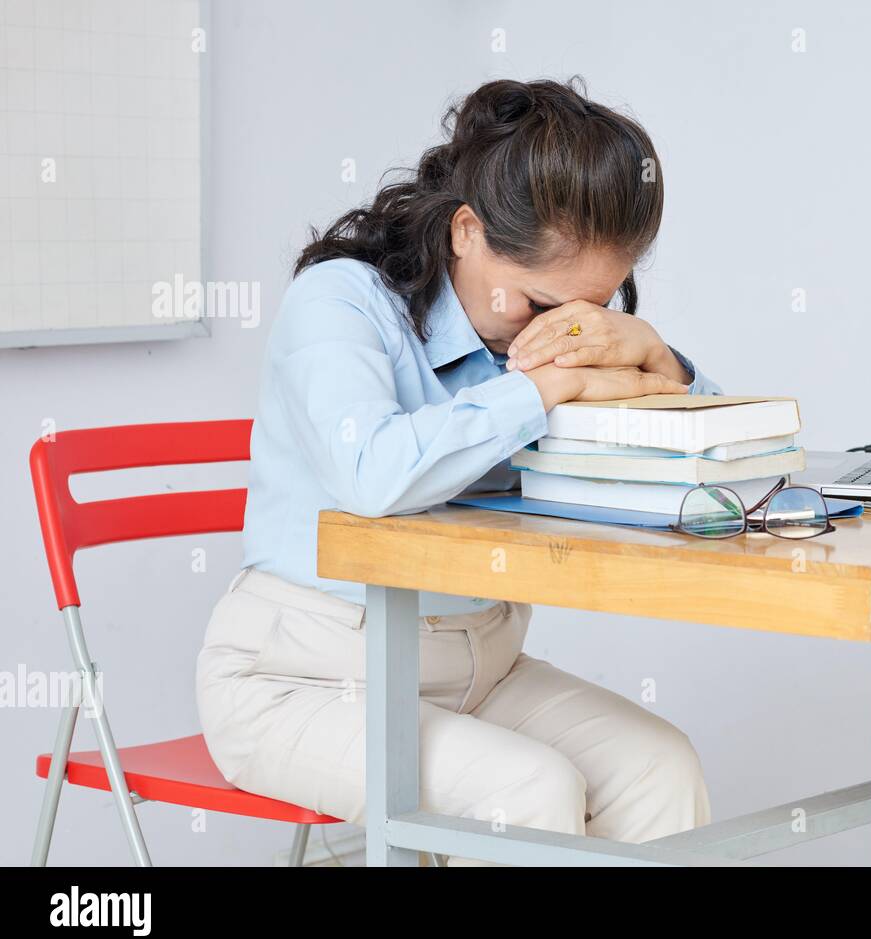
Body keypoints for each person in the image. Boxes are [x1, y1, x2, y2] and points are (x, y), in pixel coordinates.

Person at [196, 78, 720, 864]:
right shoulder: (339, 303)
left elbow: (715, 479)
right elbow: (372, 474)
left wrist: (661, 362)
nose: (564, 334)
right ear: (468, 231)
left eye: (596, 309)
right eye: (542, 305)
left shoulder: (557, 337)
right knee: (528, 791)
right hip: (300, 677)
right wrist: (539, 391)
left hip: (483, 668)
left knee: (660, 769)